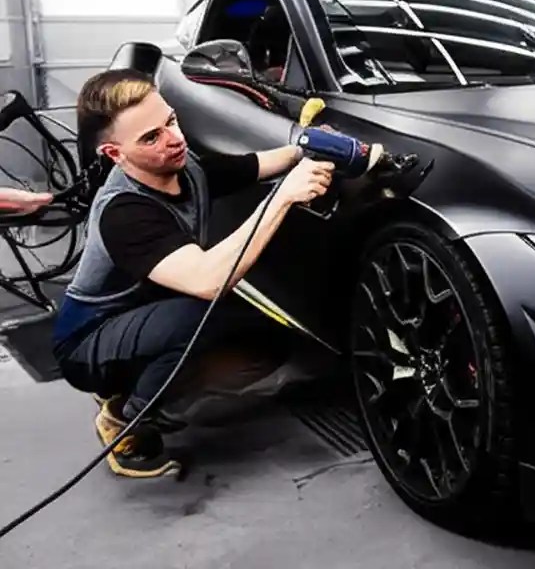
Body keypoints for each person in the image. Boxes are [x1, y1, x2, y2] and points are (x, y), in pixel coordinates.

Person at [51, 68, 334, 478]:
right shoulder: (124, 212)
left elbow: (251, 166)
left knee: (267, 342)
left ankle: (145, 384)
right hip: (89, 338)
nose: (174, 138)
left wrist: (305, 147)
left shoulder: (184, 166)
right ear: (116, 154)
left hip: (152, 315)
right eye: (151, 137)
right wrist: (284, 197)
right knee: (202, 313)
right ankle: (128, 420)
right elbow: (208, 281)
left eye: (170, 120)